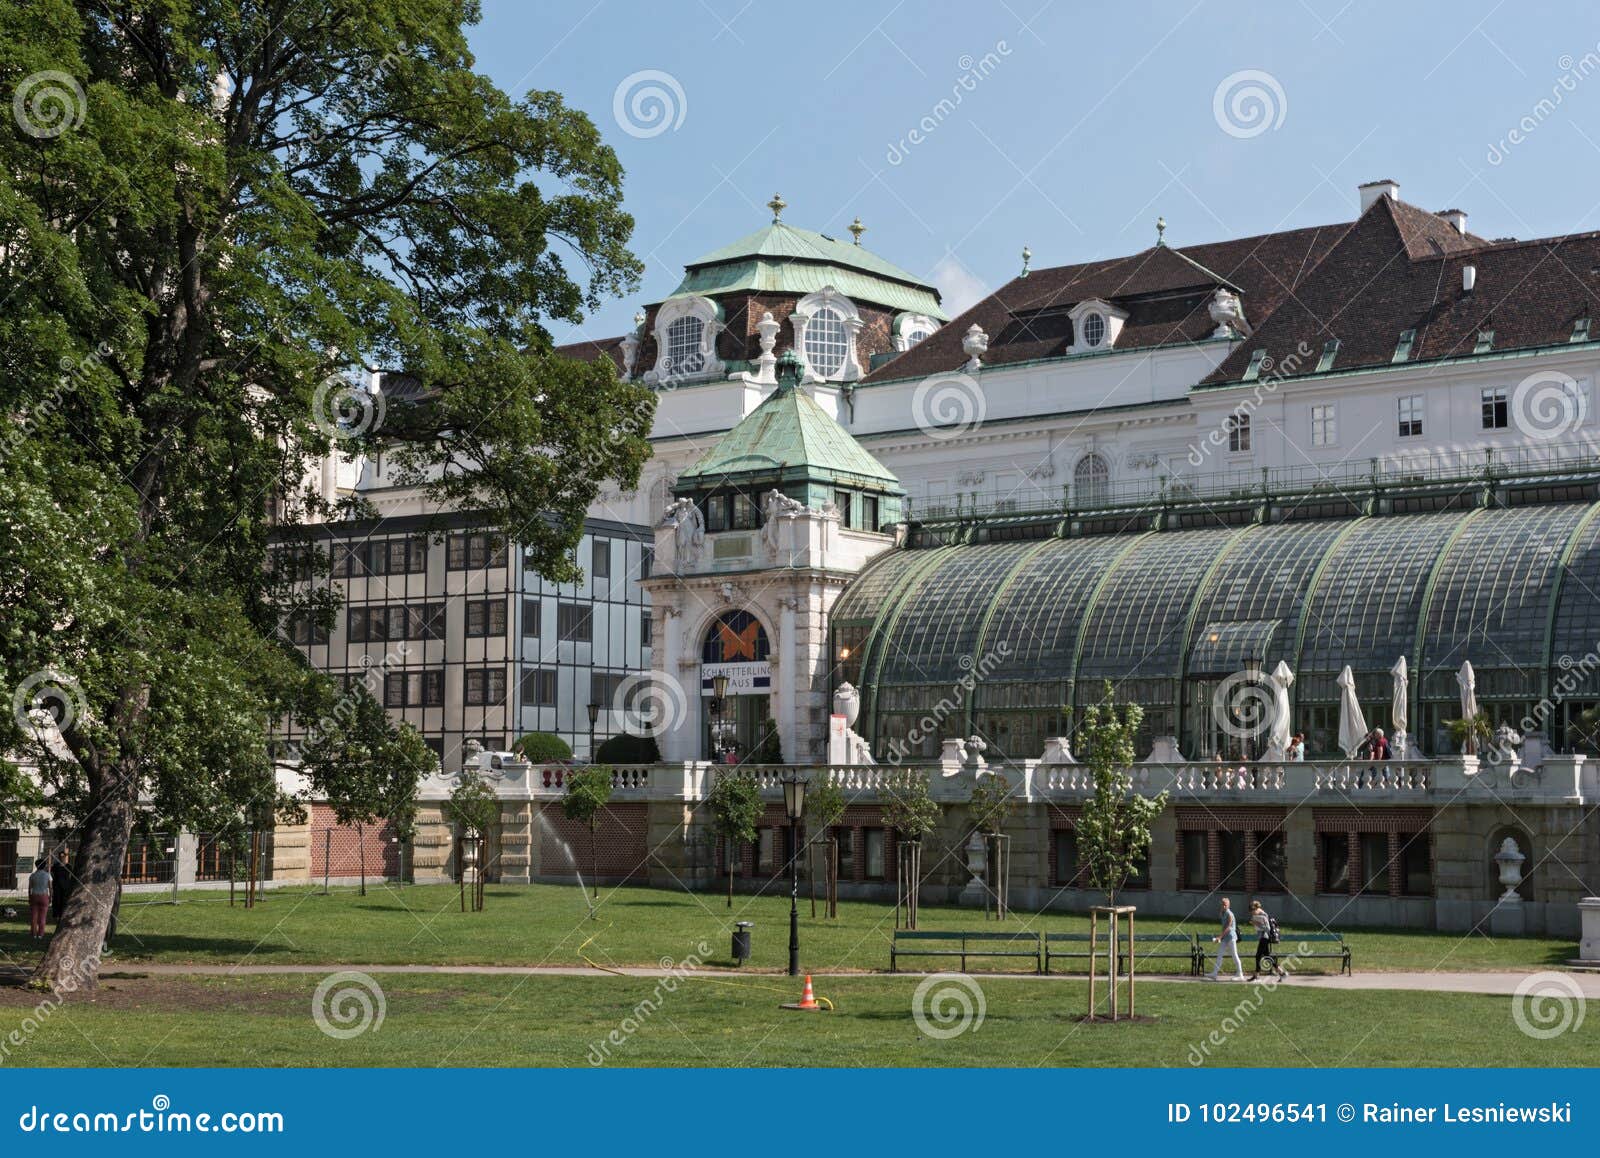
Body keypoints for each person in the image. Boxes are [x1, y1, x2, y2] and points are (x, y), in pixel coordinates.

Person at [1247, 899, 1286, 980]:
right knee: (1267, 957)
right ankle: (1281, 973)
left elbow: (1267, 928)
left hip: (1265, 937)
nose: (1252, 913)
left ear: (1256, 909)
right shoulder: (1257, 915)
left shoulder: (1263, 915)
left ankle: (1256, 975)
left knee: (1258, 956)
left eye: (1252, 911)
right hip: (1262, 937)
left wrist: (1257, 923)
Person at [1207, 897, 1245, 980]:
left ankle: (1240, 974)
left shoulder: (1230, 914)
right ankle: (1214, 973)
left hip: (1231, 936)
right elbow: (1223, 925)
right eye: (1222, 905)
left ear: (1228, 905)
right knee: (1220, 954)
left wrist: (1219, 937)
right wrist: (1221, 937)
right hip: (1225, 937)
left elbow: (1228, 927)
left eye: (1225, 905)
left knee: (1234, 955)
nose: (1224, 906)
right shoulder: (1223, 913)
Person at [26, 858, 51, 939]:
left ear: (36, 866)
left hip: (34, 895)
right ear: (44, 866)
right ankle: (40, 934)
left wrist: (29, 897)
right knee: (43, 916)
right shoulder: (48, 875)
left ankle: (33, 934)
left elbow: (30, 888)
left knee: (34, 916)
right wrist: (51, 897)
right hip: (44, 896)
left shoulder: (33, 875)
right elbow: (50, 887)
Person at [50, 849, 74, 926]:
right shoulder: (55, 866)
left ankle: (63, 915)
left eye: (64, 856)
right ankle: (56, 916)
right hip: (57, 886)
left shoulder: (68, 866)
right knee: (57, 900)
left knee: (64, 901)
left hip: (65, 886)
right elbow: (52, 874)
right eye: (61, 856)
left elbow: (70, 875)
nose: (62, 858)